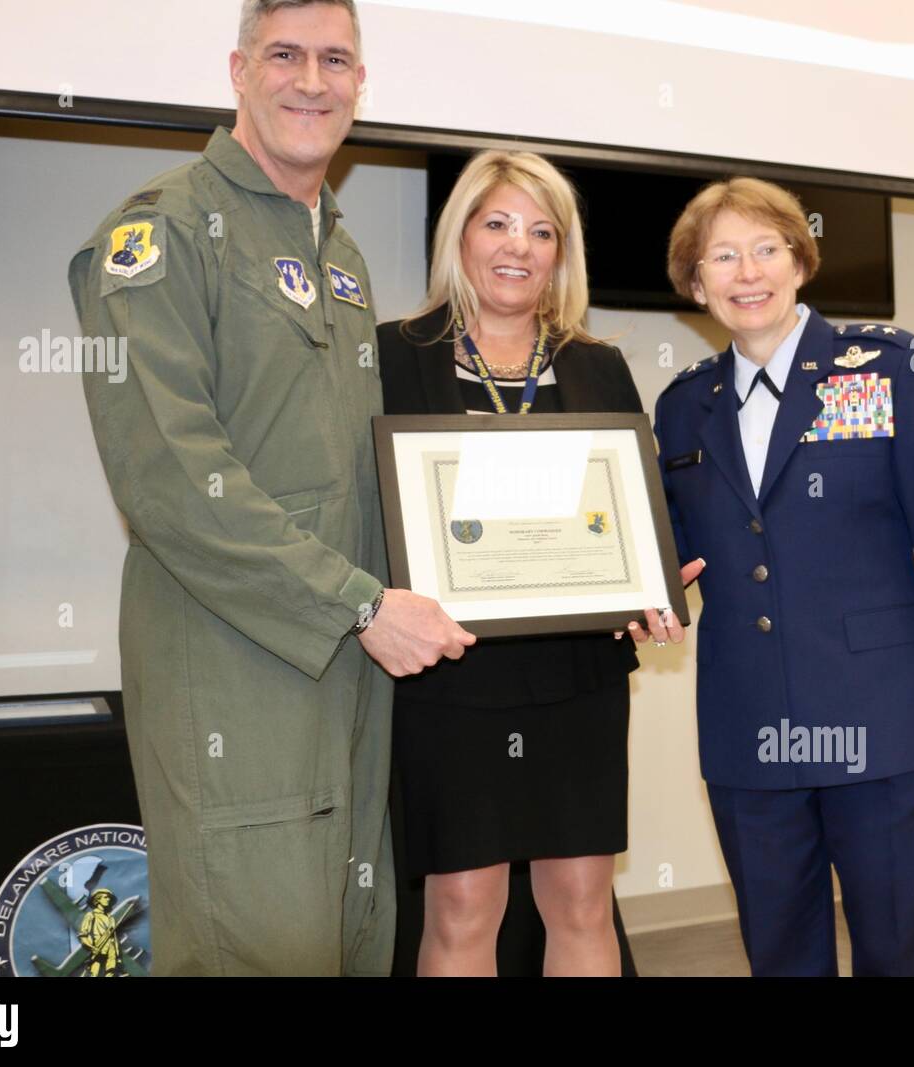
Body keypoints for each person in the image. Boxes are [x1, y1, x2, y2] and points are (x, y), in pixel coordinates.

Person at [68, 0, 472, 976]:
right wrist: (361, 601)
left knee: (345, 935)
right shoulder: (158, 232)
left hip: (347, 668)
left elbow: (350, 469)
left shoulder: (341, 255)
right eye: (285, 54)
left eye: (336, 59)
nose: (311, 78)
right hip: (235, 668)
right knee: (251, 942)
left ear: (360, 86)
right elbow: (168, 474)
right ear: (239, 70)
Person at [645, 176, 914, 976]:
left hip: (888, 729)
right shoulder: (681, 407)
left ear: (800, 260)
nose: (748, 272)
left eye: (766, 249)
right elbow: (669, 552)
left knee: (903, 954)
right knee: (780, 958)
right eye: (724, 257)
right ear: (696, 283)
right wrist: (640, 591)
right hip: (750, 737)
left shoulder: (882, 367)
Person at [377, 151, 644, 976]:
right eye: (496, 223)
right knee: (461, 907)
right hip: (450, 674)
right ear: (459, 235)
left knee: (581, 901)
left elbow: (632, 516)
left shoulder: (597, 363)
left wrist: (650, 585)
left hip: (579, 670)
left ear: (561, 255)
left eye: (541, 231)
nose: (517, 247)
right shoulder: (392, 355)